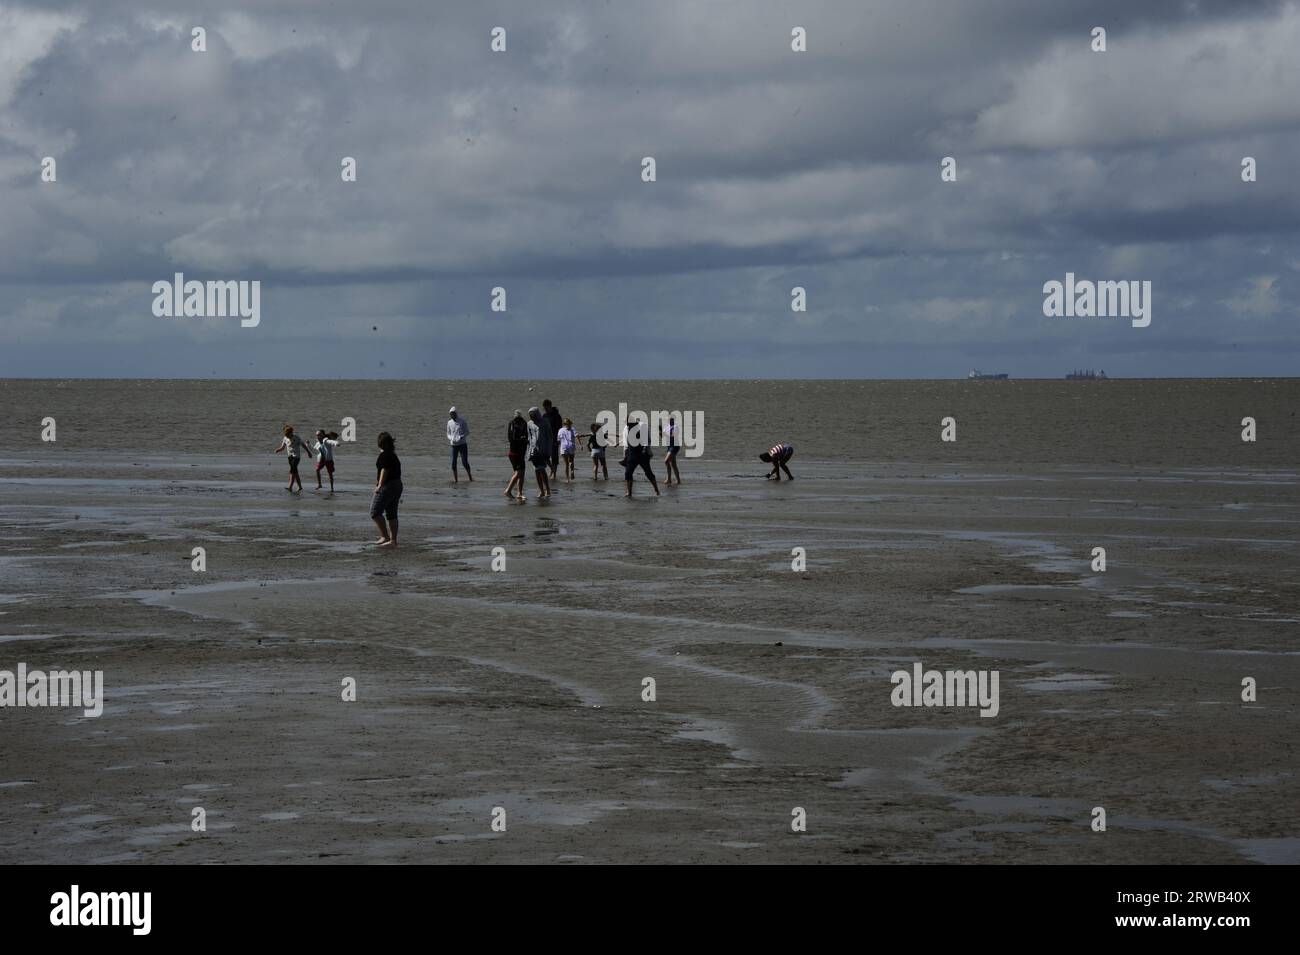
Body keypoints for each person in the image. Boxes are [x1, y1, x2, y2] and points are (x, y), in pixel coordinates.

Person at [371, 431, 403, 547]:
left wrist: (379, 485)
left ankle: (385, 536)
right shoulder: (393, 454)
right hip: (397, 484)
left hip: (388, 485)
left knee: (374, 512)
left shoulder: (385, 455)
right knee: (391, 513)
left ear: (381, 443)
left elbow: (385, 470)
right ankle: (393, 540)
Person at [622, 416, 660, 498]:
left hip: (643, 453)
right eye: (626, 423)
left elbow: (648, 440)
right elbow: (625, 443)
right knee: (628, 473)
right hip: (631, 453)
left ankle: (656, 490)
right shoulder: (626, 428)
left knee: (648, 472)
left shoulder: (642, 426)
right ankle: (629, 492)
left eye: (628, 423)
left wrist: (647, 450)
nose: (627, 425)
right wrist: (625, 456)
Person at [274, 425, 313, 493]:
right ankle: (300, 487)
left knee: (292, 470)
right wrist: (278, 450)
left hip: (296, 456)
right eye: (286, 435)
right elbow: (282, 447)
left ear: (291, 433)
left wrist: (308, 452)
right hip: (290, 456)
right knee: (295, 472)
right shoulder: (285, 438)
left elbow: (303, 445)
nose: (287, 437)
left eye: (288, 435)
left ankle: (290, 486)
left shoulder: (297, 437)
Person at [527, 407, 553, 499]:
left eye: (533, 414)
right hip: (534, 451)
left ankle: (548, 490)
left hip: (543, 449)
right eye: (530, 415)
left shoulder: (545, 422)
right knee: (536, 471)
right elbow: (529, 438)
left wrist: (549, 450)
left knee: (542, 470)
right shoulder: (529, 424)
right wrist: (529, 451)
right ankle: (541, 491)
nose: (531, 416)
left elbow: (549, 437)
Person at [505, 409, 529, 501]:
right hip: (514, 452)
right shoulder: (512, 423)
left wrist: (525, 440)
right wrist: (521, 439)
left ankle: (519, 493)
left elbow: (526, 436)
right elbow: (511, 439)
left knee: (521, 473)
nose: (518, 420)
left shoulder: (524, 423)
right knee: (519, 472)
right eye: (517, 418)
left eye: (519, 418)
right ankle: (508, 490)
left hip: (521, 452)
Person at [446, 406, 472, 483]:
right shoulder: (449, 422)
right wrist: (451, 438)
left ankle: (470, 477)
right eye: (451, 414)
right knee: (453, 463)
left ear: (456, 414)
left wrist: (461, 437)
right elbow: (448, 433)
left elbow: (467, 432)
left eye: (453, 414)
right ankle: (456, 480)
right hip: (454, 445)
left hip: (462, 444)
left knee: (464, 462)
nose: (452, 415)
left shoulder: (462, 421)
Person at [542, 399, 563, 479]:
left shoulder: (556, 416)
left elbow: (560, 428)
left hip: (554, 438)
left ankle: (554, 474)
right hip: (545, 439)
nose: (545, 409)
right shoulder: (544, 416)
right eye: (544, 408)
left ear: (550, 406)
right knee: (544, 456)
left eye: (546, 408)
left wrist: (559, 439)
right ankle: (552, 469)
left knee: (554, 456)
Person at [663, 416, 682, 485]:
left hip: (674, 446)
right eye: (669, 420)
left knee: (666, 461)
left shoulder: (676, 427)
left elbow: (673, 436)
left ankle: (669, 479)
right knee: (673, 464)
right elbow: (663, 436)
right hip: (669, 446)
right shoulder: (666, 427)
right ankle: (678, 480)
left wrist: (666, 434)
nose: (670, 421)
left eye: (672, 420)